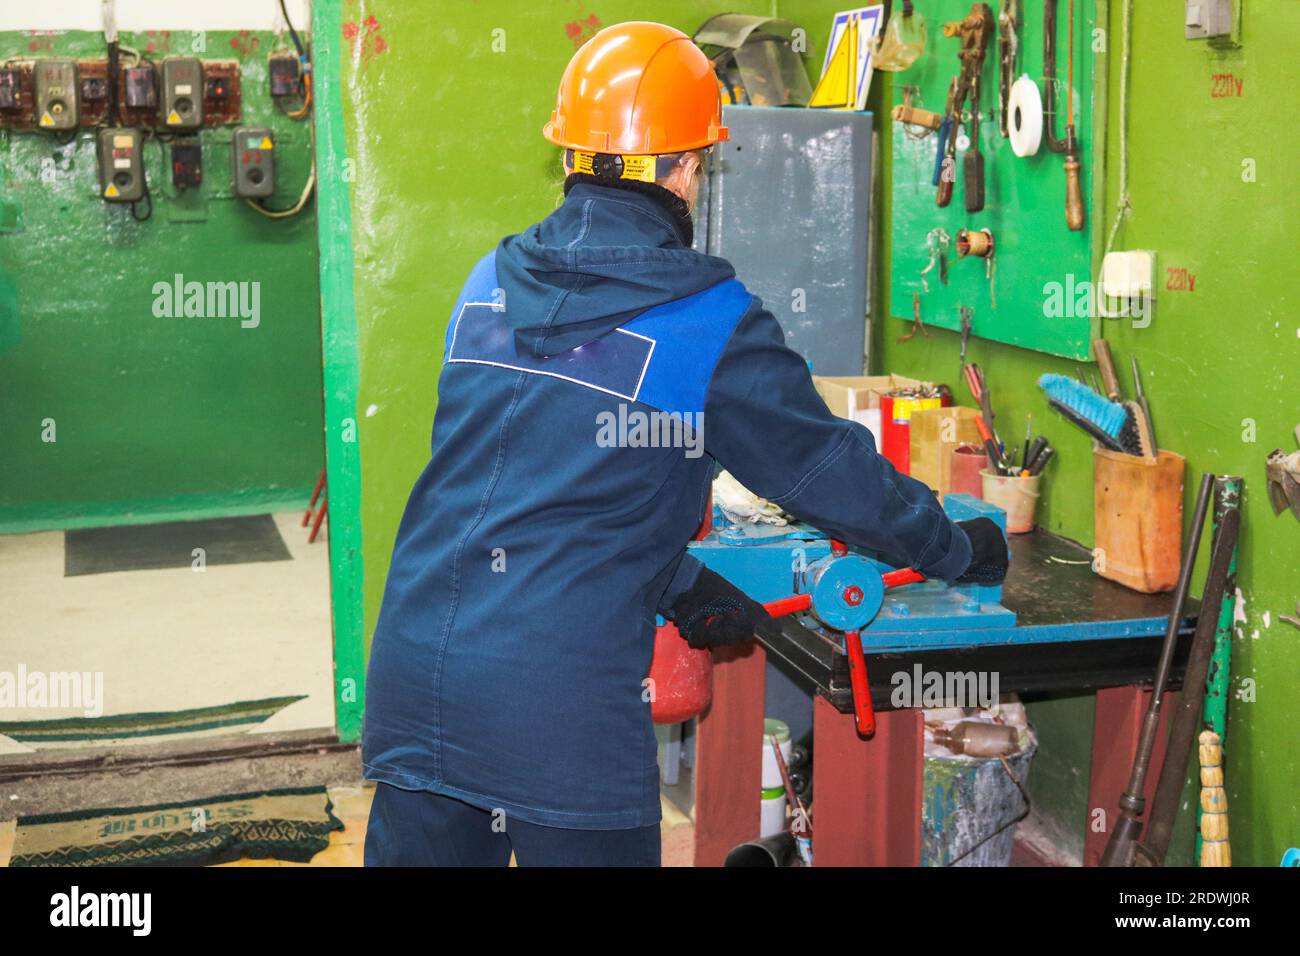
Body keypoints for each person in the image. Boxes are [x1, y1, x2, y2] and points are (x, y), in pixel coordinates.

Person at [362, 21, 1008, 867]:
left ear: (569, 158)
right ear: (686, 167)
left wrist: (679, 579)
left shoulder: (487, 283)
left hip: (420, 671)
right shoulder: (710, 322)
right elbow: (827, 472)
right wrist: (952, 545)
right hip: (560, 705)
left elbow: (527, 481)